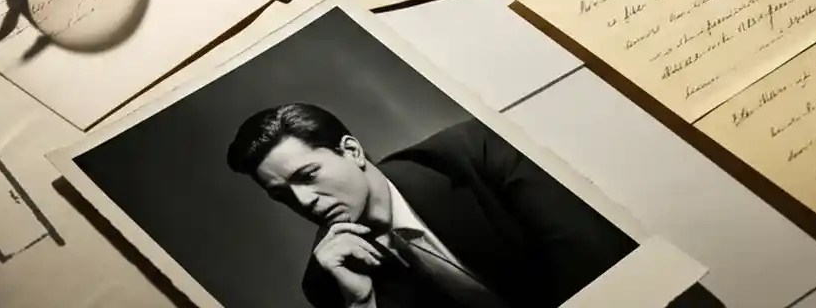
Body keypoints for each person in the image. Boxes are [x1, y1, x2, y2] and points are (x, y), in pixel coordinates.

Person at [226, 103, 721, 308]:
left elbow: (601, 261)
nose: (304, 202)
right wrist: (362, 304)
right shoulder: (330, 281)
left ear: (351, 152)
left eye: (306, 176)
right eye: (281, 195)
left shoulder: (473, 153)